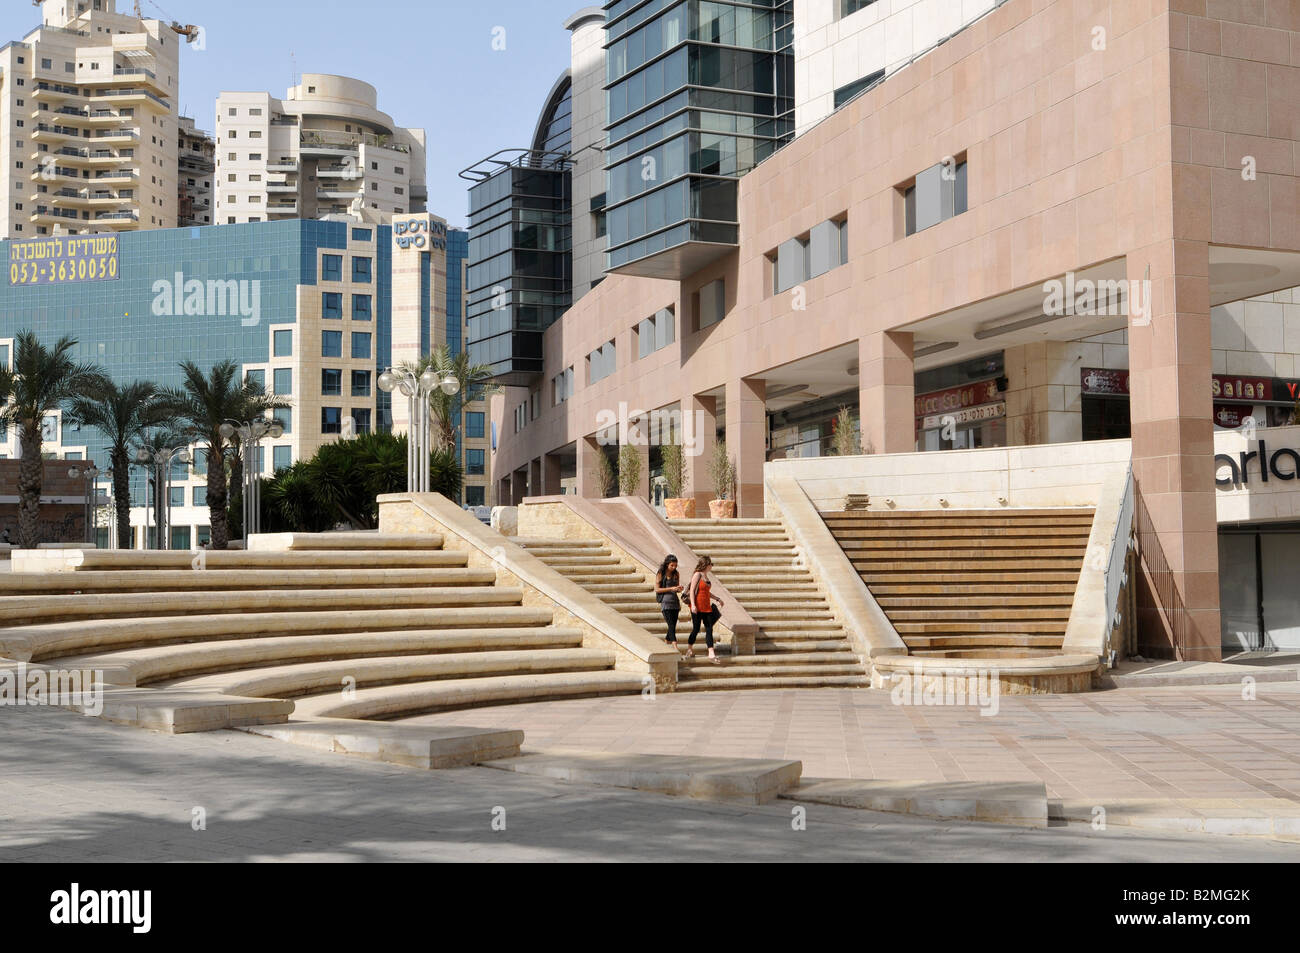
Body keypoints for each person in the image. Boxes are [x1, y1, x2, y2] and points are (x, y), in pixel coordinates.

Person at [687, 556, 724, 663]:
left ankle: (711, 653)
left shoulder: (706, 576)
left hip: (707, 607)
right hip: (697, 607)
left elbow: (707, 592)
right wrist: (693, 605)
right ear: (706, 564)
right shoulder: (697, 574)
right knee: (696, 629)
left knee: (709, 629)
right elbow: (692, 591)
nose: (711, 566)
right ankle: (689, 649)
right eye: (711, 564)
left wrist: (717, 598)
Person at [654, 554, 684, 648]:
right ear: (667, 564)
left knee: (673, 626)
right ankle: (675, 648)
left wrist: (679, 589)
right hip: (665, 603)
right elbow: (657, 589)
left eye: (675, 565)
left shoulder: (676, 573)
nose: (674, 567)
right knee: (671, 625)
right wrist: (671, 588)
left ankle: (666, 645)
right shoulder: (660, 573)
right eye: (672, 565)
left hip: (675, 602)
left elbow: (677, 587)